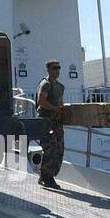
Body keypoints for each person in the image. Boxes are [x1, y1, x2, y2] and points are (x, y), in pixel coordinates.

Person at [36, 59, 66, 189]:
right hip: (46, 120)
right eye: (54, 68)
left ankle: (50, 174)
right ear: (48, 69)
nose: (57, 70)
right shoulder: (45, 84)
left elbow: (60, 102)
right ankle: (45, 176)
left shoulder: (60, 86)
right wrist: (55, 109)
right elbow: (41, 102)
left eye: (58, 67)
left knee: (59, 148)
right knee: (49, 148)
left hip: (56, 121)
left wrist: (61, 111)